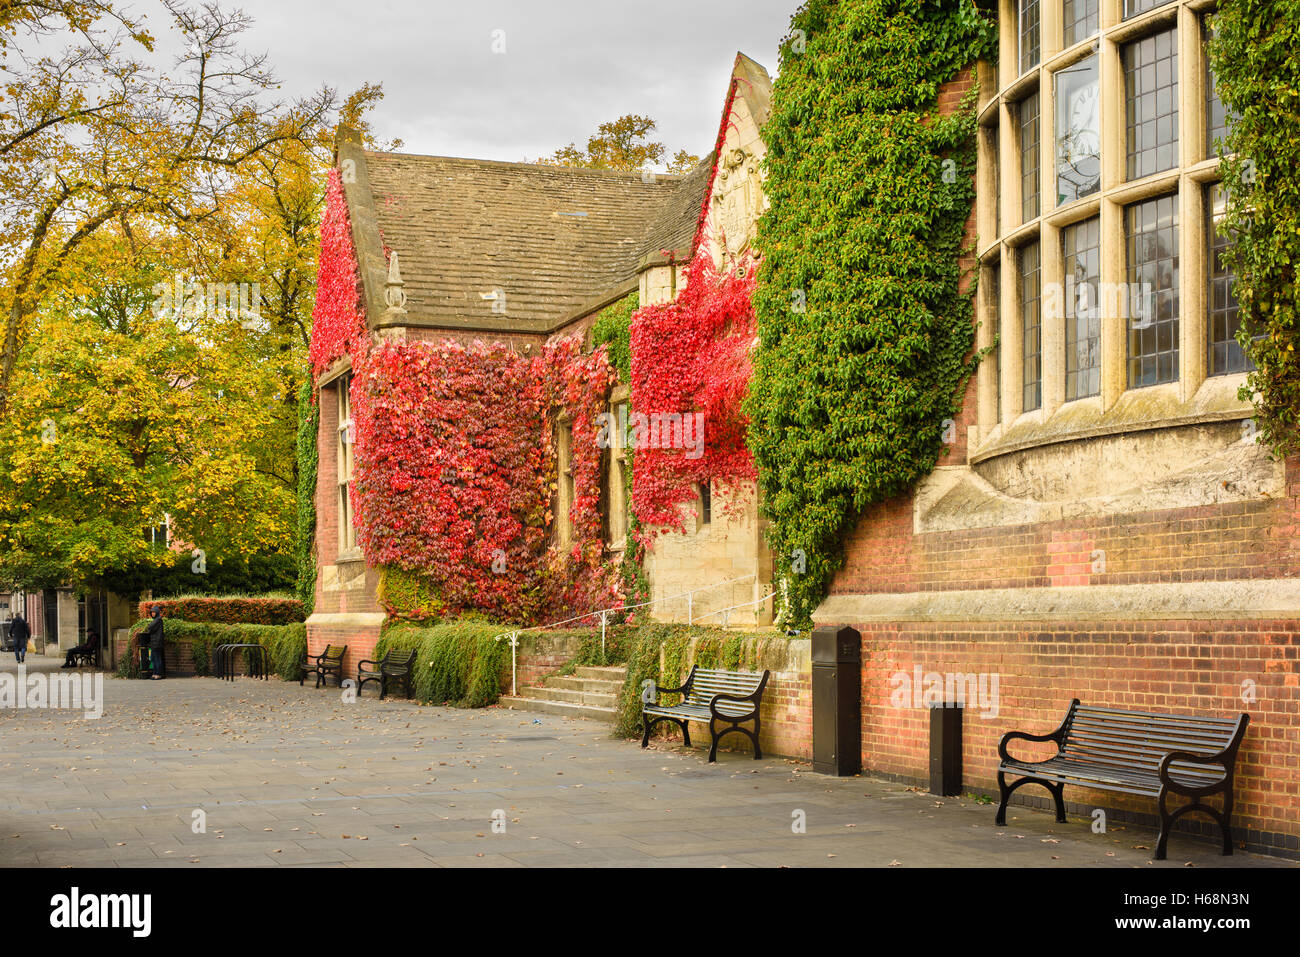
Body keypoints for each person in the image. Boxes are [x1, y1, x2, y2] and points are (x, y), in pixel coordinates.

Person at [142, 605, 165, 679]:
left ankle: (158, 674)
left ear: (157, 613)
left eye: (154, 612)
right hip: (154, 643)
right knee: (153, 658)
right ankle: (155, 673)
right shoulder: (156, 620)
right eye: (152, 612)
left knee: (157, 658)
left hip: (157, 643)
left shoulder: (158, 619)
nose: (153, 614)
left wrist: (149, 627)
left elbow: (150, 627)